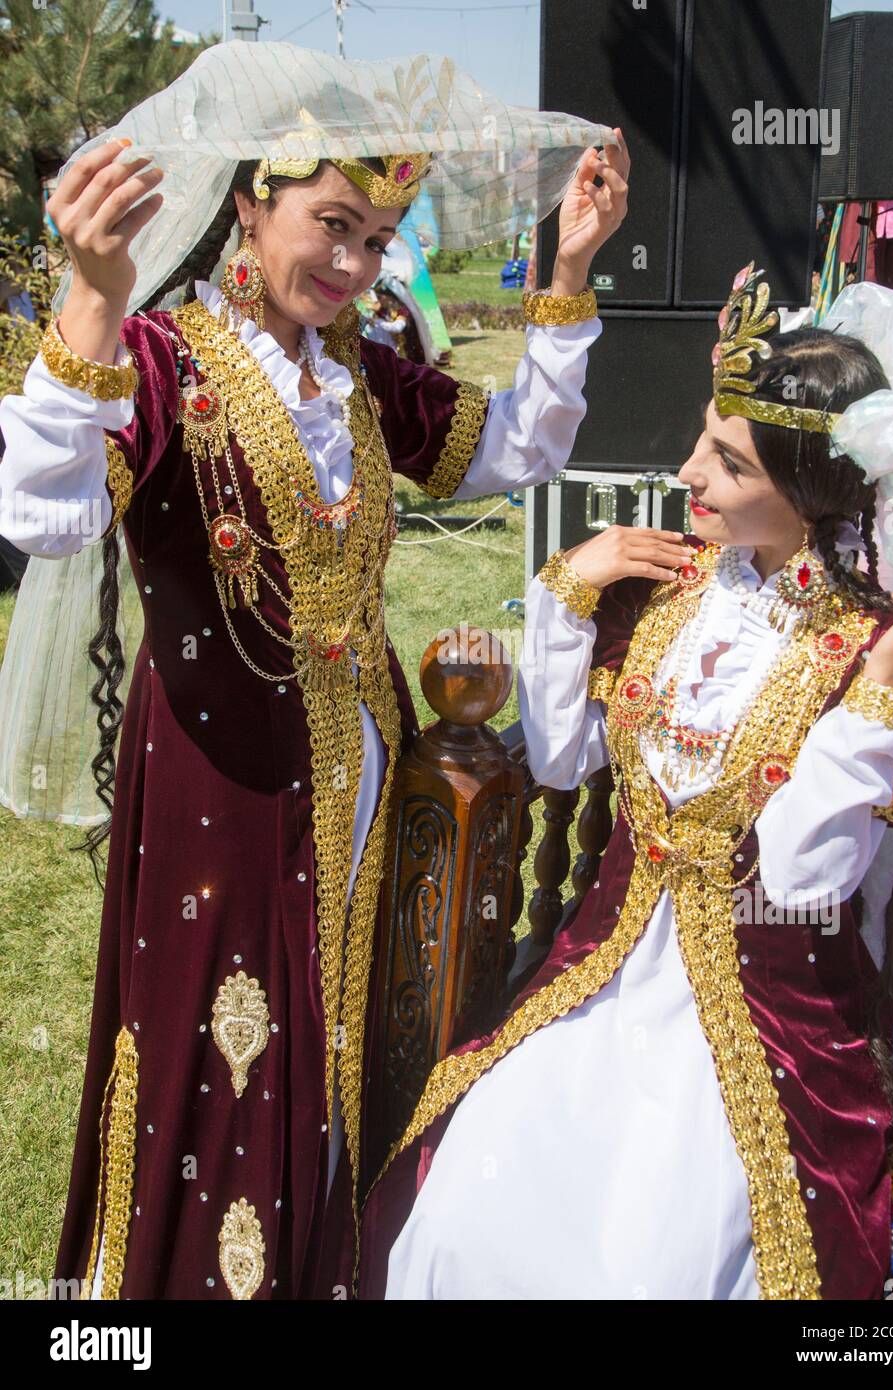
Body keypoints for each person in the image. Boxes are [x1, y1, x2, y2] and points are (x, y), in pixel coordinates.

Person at [0, 42, 630, 1299]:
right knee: (224, 1056)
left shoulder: (354, 374)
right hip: (220, 799)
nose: (354, 266)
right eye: (332, 226)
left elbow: (512, 448)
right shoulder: (167, 361)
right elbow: (43, 509)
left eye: (379, 239)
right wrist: (88, 295)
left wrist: (564, 277)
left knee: (344, 1048)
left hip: (364, 773)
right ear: (247, 203)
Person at [359, 265, 893, 1300]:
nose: (686, 471)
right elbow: (561, 762)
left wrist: (878, 699)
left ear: (807, 488)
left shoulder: (875, 650)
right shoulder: (666, 588)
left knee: (643, 1262)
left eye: (725, 462)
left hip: (752, 1015)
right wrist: (568, 589)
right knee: (473, 1201)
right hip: (603, 973)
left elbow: (796, 873)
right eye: (701, 438)